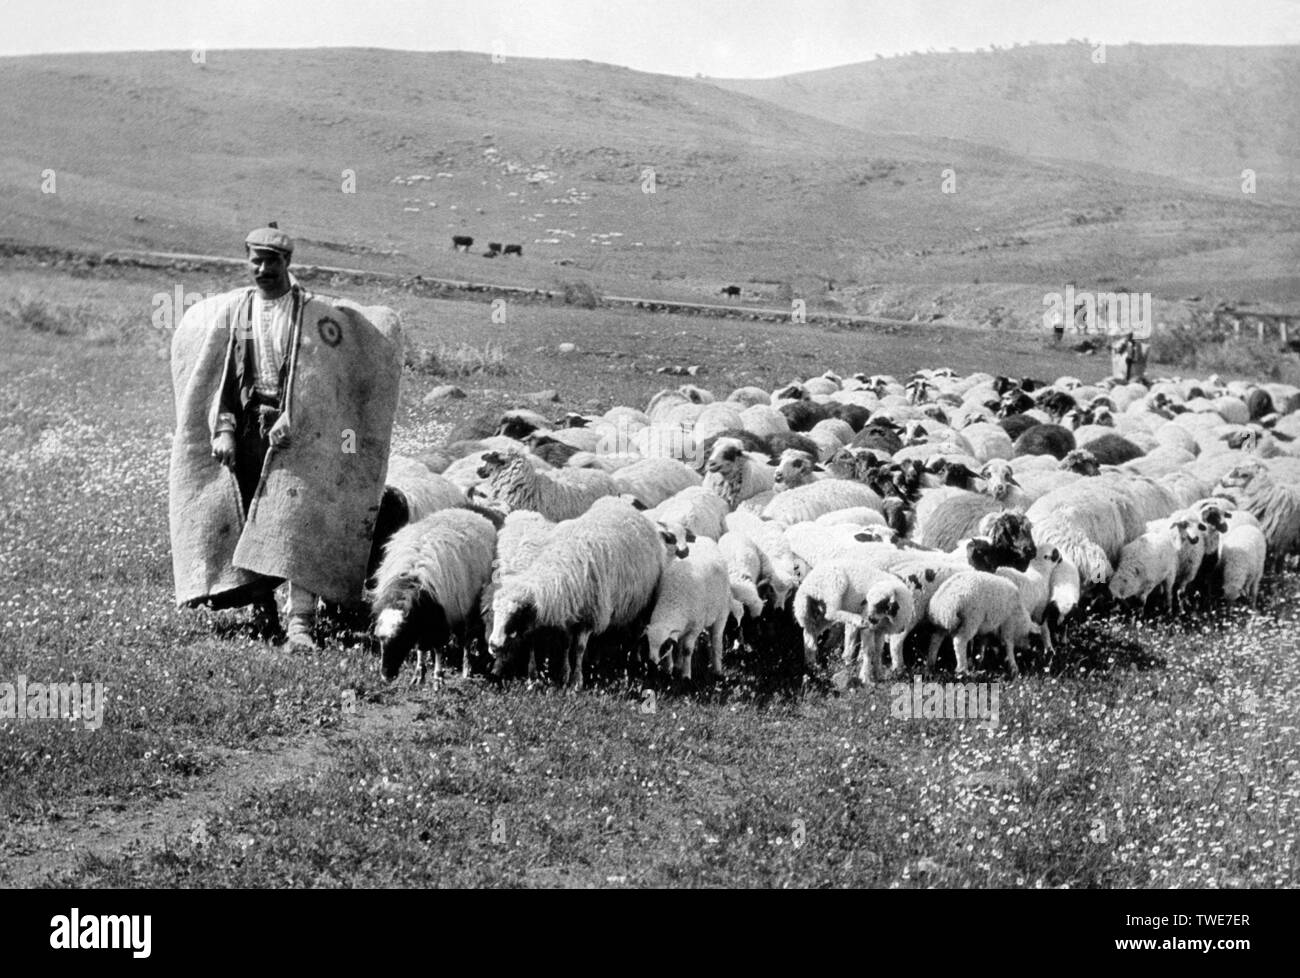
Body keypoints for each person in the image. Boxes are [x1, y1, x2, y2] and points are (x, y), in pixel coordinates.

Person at [168, 227, 403, 651]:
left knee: (298, 523)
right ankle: (263, 610)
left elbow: (324, 382)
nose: (262, 269)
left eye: (271, 261)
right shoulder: (238, 313)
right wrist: (222, 430)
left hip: (300, 440)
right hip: (249, 432)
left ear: (287, 263)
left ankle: (301, 623)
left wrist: (297, 417)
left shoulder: (312, 316)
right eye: (255, 261)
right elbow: (223, 378)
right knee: (250, 520)